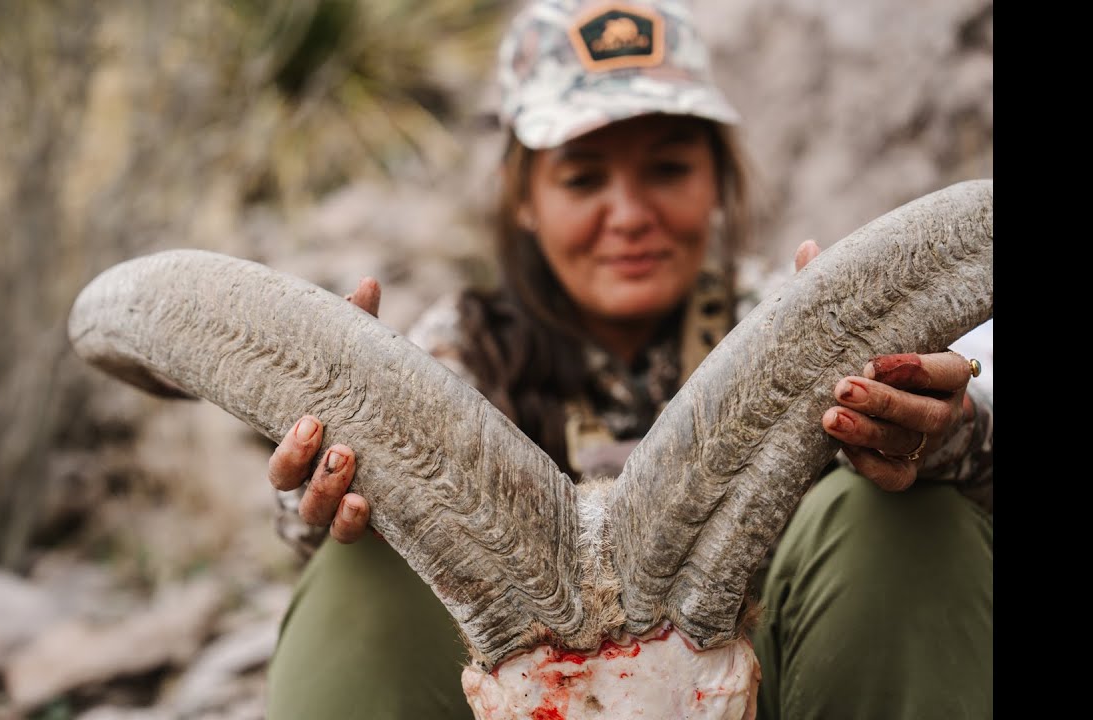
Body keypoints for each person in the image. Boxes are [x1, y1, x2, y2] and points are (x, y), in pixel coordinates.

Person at [263, 1, 993, 718]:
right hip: (526, 701)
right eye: (583, 179)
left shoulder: (796, 322)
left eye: (668, 169)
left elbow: (970, 451)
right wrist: (326, 485)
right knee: (363, 565)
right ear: (524, 198)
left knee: (895, 510)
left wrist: (937, 435)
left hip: (758, 683)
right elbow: (311, 531)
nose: (630, 214)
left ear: (716, 180)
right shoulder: (453, 354)